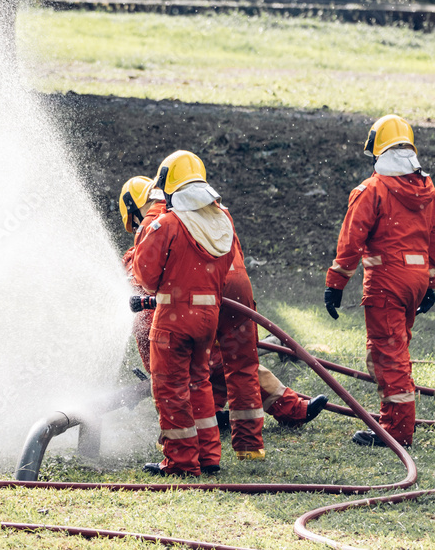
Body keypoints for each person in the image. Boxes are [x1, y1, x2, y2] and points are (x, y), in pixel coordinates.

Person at [120, 174, 327, 467]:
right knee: (238, 366)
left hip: (184, 313)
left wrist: (155, 363)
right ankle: (249, 436)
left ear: (132, 208)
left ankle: (188, 449)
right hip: (224, 294)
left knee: (197, 375)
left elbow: (148, 287)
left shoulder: (157, 223)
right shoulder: (214, 211)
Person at [325, 114, 435, 448]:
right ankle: (394, 418)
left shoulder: (372, 189)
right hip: (415, 281)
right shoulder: (427, 190)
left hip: (387, 282)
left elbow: (351, 243)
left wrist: (336, 284)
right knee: (393, 349)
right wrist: (431, 283)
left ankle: (397, 431)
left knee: (389, 355)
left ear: (376, 150)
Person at [131, 151, 235, 477]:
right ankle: (208, 456)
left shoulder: (168, 224)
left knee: (170, 389)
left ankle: (180, 462)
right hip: (209, 318)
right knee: (199, 384)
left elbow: (146, 277)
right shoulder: (222, 220)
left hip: (174, 321)